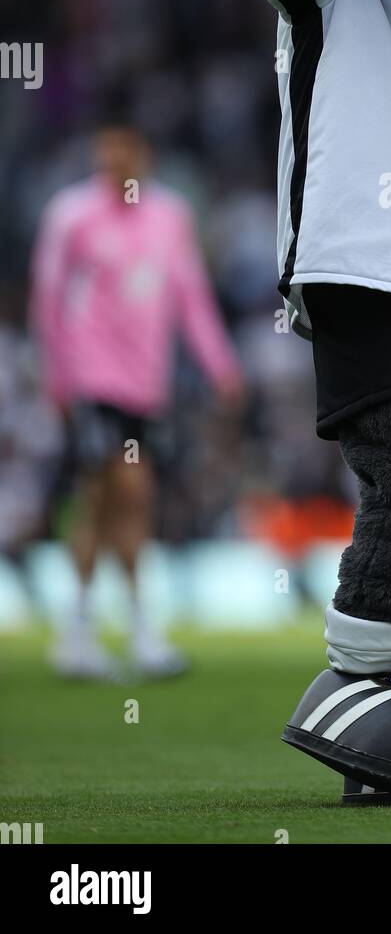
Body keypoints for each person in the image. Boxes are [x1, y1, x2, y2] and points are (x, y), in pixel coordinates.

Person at [30, 120, 243, 678]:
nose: (115, 166)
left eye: (123, 154)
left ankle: (83, 631)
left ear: (142, 157)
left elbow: (189, 295)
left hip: (144, 386)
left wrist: (219, 365)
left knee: (113, 502)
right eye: (106, 157)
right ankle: (132, 629)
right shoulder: (72, 215)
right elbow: (48, 298)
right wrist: (56, 379)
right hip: (90, 380)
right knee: (126, 488)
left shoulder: (168, 218)